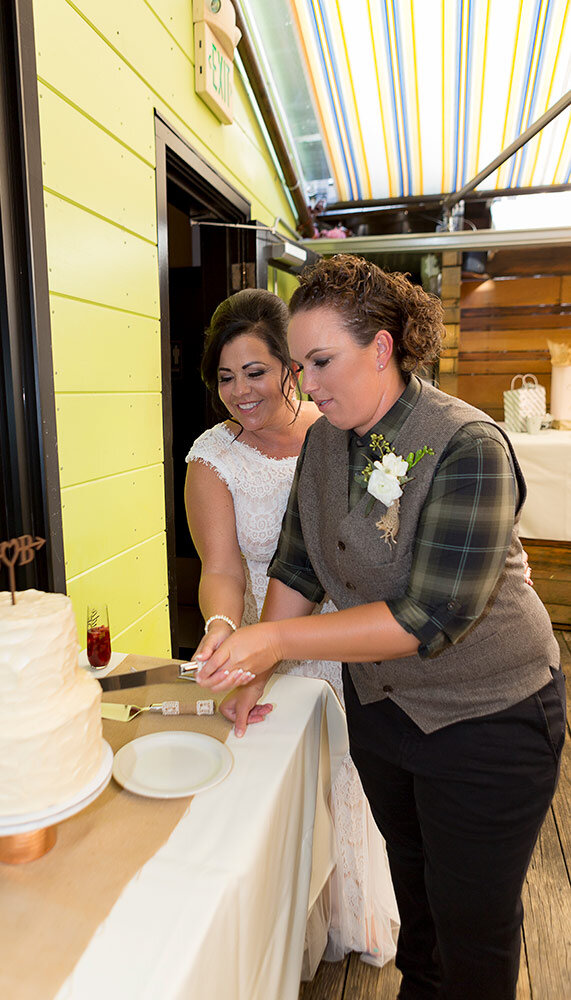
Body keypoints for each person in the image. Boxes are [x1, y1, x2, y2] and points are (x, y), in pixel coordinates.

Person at [194, 257, 566, 1000]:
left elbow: (428, 615)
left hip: (487, 717)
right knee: (418, 906)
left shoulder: (466, 444)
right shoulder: (325, 444)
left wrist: (272, 644)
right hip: (384, 714)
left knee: (473, 926)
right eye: (300, 366)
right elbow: (297, 569)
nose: (308, 384)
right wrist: (251, 667)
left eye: (321, 361)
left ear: (382, 347)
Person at [184, 287, 399, 969]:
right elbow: (220, 566)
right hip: (267, 640)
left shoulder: (341, 428)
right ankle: (285, 933)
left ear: (290, 367)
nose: (239, 392)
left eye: (254, 371)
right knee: (285, 792)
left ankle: (352, 909)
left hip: (353, 635)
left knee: (358, 778)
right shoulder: (211, 457)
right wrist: (223, 623)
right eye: (224, 376)